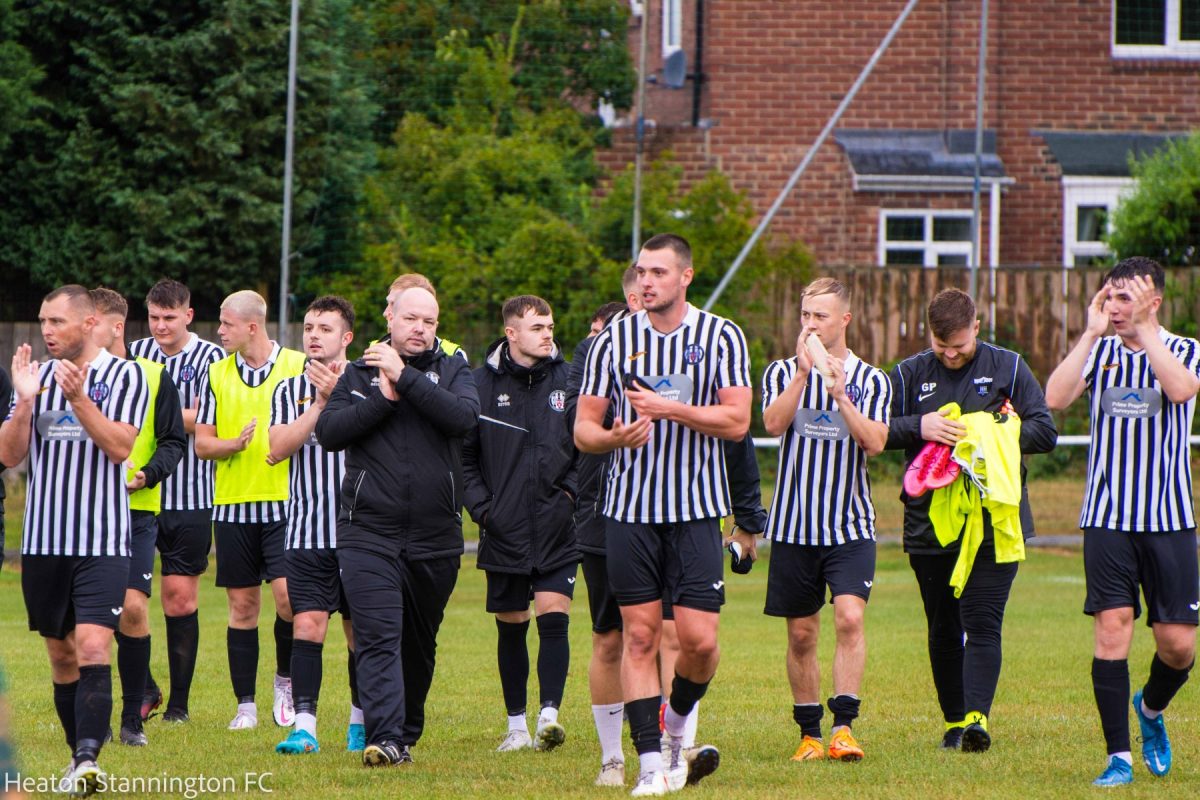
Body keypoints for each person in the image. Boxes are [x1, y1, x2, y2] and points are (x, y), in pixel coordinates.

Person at [576, 233, 752, 796]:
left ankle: (676, 724)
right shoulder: (614, 341)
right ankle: (651, 764)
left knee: (699, 642)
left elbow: (738, 422)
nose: (647, 281)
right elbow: (583, 428)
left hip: (697, 511)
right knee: (640, 636)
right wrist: (614, 438)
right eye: (641, 271)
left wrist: (668, 408)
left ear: (685, 277)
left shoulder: (721, 335)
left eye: (658, 271)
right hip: (628, 513)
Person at [1045, 257, 1200, 787]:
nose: (1115, 308)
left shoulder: (1183, 349)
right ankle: (1118, 758)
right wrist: (1089, 336)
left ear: (1154, 302)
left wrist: (1147, 333)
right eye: (1110, 297)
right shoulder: (1100, 351)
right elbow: (1054, 399)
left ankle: (1150, 711)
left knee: (1179, 647)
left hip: (1169, 518)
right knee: (1112, 630)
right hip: (1108, 517)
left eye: (1126, 298)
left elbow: (1181, 390)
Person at [885, 288, 1056, 753]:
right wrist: (921, 426)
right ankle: (955, 721)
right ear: (929, 335)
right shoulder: (907, 373)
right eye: (942, 346)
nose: (951, 353)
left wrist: (989, 432)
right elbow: (877, 432)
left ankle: (978, 720)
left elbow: (1045, 431)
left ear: (977, 327)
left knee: (982, 621)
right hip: (929, 524)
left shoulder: (1009, 367)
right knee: (942, 628)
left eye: (959, 344)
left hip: (994, 519)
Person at [315, 285, 479, 767]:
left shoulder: (453, 369)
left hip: (436, 537)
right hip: (367, 532)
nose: (419, 329)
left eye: (428, 321)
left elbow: (463, 418)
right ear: (391, 319)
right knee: (377, 634)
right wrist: (382, 398)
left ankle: (405, 731)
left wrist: (405, 380)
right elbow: (330, 433)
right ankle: (385, 737)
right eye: (411, 319)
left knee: (418, 642)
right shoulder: (359, 373)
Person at [0, 285, 149, 796]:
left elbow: (118, 447)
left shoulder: (126, 375)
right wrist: (23, 402)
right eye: (43, 321)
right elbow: (9, 455)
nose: (46, 330)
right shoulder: (34, 376)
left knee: (91, 645)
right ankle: (76, 755)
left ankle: (88, 759)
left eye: (57, 321)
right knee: (61, 656)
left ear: (88, 324)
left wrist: (78, 399)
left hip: (103, 542)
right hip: (43, 543)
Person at [758, 278, 890, 763]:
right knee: (801, 634)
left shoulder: (873, 379)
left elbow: (874, 442)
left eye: (821, 317)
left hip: (849, 527)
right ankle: (810, 735)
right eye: (806, 316)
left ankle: (844, 729)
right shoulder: (779, 372)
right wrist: (802, 375)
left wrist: (840, 395)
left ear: (844, 321)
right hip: (794, 526)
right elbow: (771, 425)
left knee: (850, 617)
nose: (811, 324)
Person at [463, 295, 579, 753]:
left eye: (550, 325)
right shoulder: (478, 385)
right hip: (504, 528)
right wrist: (483, 510)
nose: (548, 333)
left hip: (557, 524)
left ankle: (549, 717)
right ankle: (516, 727)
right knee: (511, 624)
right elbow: (465, 458)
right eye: (537, 327)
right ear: (511, 333)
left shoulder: (571, 380)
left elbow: (586, 445)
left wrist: (569, 496)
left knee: (555, 616)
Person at [195, 290, 305, 731]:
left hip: (286, 504)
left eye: (225, 323)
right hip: (233, 507)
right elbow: (202, 444)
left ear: (252, 326)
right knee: (242, 608)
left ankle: (286, 683)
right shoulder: (216, 373)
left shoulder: (296, 366)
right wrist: (233, 445)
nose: (219, 331)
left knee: (288, 601)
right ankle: (245, 706)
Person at [88, 288, 186, 748]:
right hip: (84, 512)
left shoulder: (153, 376)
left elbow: (173, 442)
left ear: (116, 325)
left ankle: (132, 720)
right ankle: (97, 720)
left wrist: (147, 475)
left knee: (132, 608)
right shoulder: (73, 378)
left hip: (137, 512)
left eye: (93, 322)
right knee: (91, 622)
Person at [128, 279, 225, 722]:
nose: (161, 325)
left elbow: (214, 419)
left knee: (179, 598)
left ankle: (180, 706)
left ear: (188, 315)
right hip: (138, 495)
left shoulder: (213, 358)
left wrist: (165, 413)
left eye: (170, 317)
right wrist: (183, 416)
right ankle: (146, 687)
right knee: (122, 597)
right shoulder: (135, 355)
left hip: (192, 495)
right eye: (154, 317)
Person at [268, 296, 362, 756]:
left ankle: (359, 724)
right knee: (307, 624)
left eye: (325, 328)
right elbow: (278, 447)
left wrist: (339, 396)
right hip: (306, 531)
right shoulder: (287, 390)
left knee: (359, 631)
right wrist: (319, 404)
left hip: (363, 534)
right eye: (308, 327)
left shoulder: (369, 384)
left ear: (346, 338)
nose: (313, 335)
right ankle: (304, 727)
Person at [384, 273, 469, 362]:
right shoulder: (374, 350)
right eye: (388, 303)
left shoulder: (453, 356)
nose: (385, 313)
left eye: (393, 304)